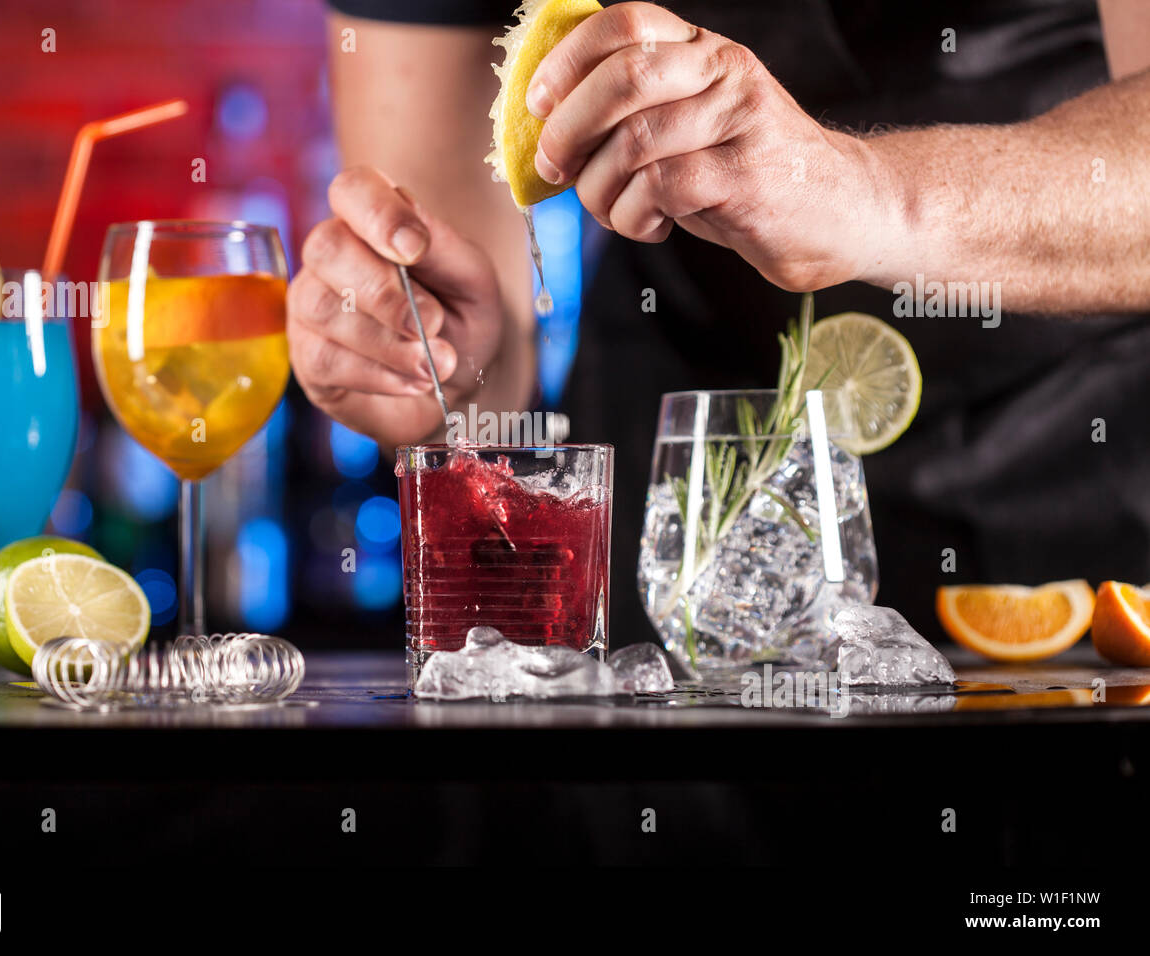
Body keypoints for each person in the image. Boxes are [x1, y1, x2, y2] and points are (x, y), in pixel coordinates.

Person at [287, 0, 1150, 642]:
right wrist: (426, 361)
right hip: (681, 503)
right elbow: (478, 356)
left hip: (1080, 483)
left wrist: (865, 195)